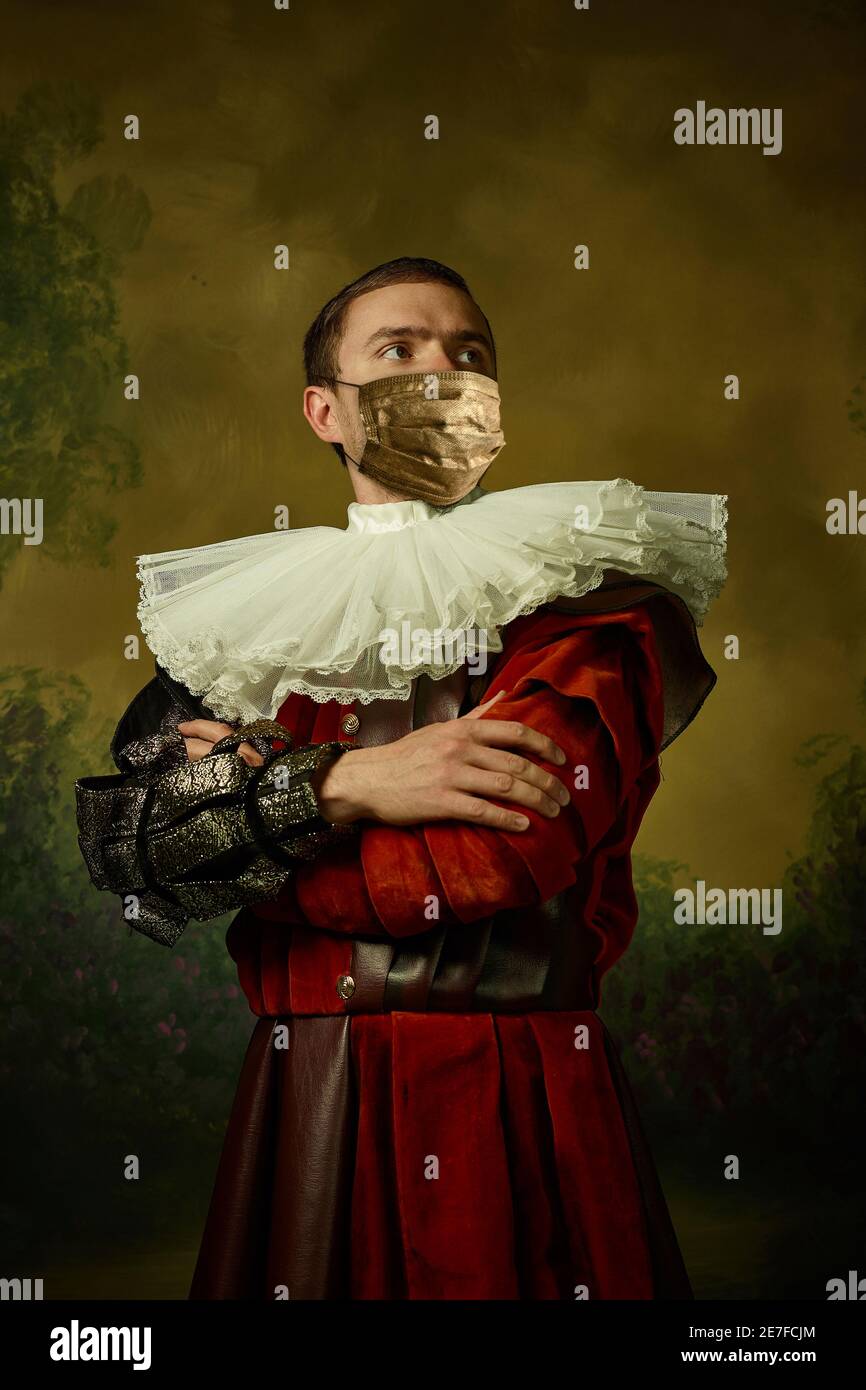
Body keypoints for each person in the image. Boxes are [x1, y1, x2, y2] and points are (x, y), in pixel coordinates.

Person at [75, 256, 727, 1300]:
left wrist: (248, 822)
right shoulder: (239, 628)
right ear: (323, 410)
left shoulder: (590, 608)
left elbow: (489, 858)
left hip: (515, 1092)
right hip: (306, 1098)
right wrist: (345, 785)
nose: (442, 371)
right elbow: (136, 854)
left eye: (469, 353)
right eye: (399, 350)